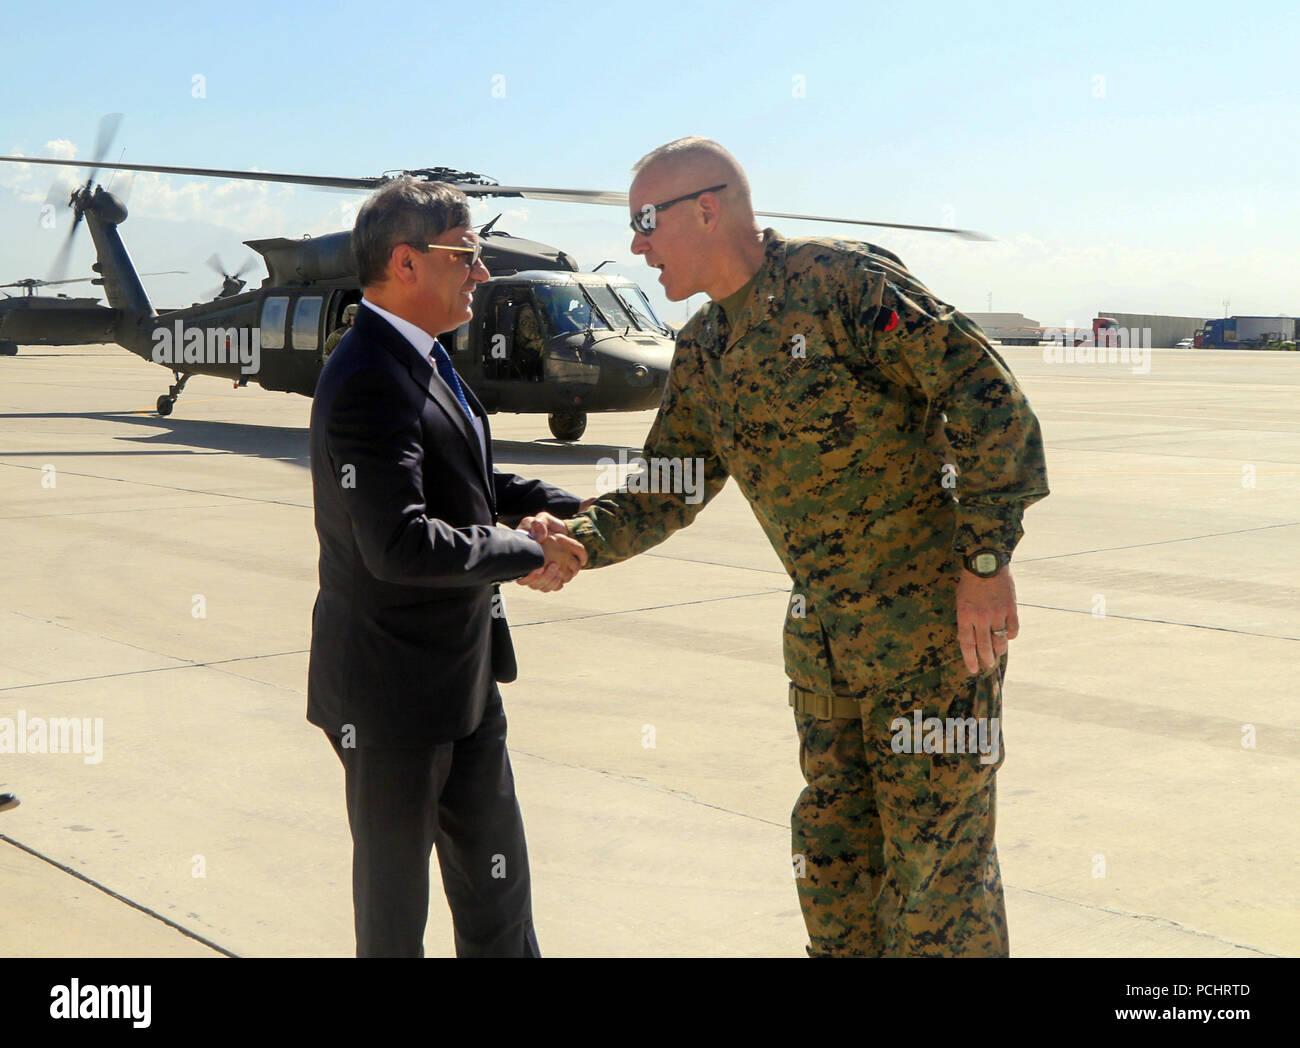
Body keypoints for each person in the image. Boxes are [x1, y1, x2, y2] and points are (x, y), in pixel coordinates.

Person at [521, 138, 1049, 958]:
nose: (636, 245)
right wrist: (579, 542)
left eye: (645, 222)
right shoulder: (702, 350)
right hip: (826, 646)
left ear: (709, 207)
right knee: (831, 863)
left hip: (930, 640)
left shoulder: (842, 285)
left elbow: (987, 393)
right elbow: (669, 483)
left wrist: (985, 561)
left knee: (936, 873)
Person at [307, 177, 589, 958]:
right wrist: (529, 551)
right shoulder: (368, 376)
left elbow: (469, 479)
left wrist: (572, 510)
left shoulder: (421, 357)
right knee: (395, 920)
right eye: (467, 255)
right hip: (390, 697)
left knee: (499, 899)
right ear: (406, 263)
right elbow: (398, 544)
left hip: (463, 682)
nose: (483, 273)